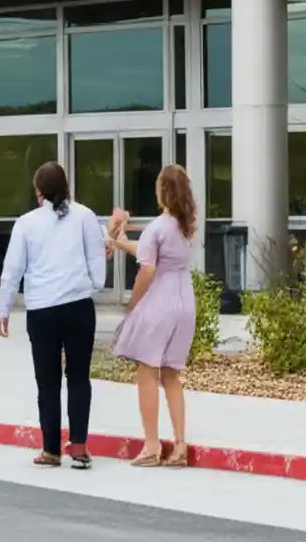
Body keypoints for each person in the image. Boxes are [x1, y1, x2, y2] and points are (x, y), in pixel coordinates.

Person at [0, 161, 105, 469]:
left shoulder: (26, 223)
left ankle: (51, 450)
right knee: (79, 377)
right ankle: (80, 447)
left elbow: (12, 270)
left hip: (42, 310)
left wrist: (3, 309)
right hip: (78, 306)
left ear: (39, 191)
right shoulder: (84, 216)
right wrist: (91, 285)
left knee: (48, 381)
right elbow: (96, 259)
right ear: (66, 187)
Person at [105, 164, 198, 468]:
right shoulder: (185, 226)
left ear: (162, 191)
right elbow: (148, 252)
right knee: (171, 373)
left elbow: (148, 268)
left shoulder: (157, 227)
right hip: (185, 302)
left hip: (161, 303)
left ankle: (151, 446)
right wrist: (118, 243)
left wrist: (134, 302)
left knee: (146, 371)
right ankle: (180, 445)